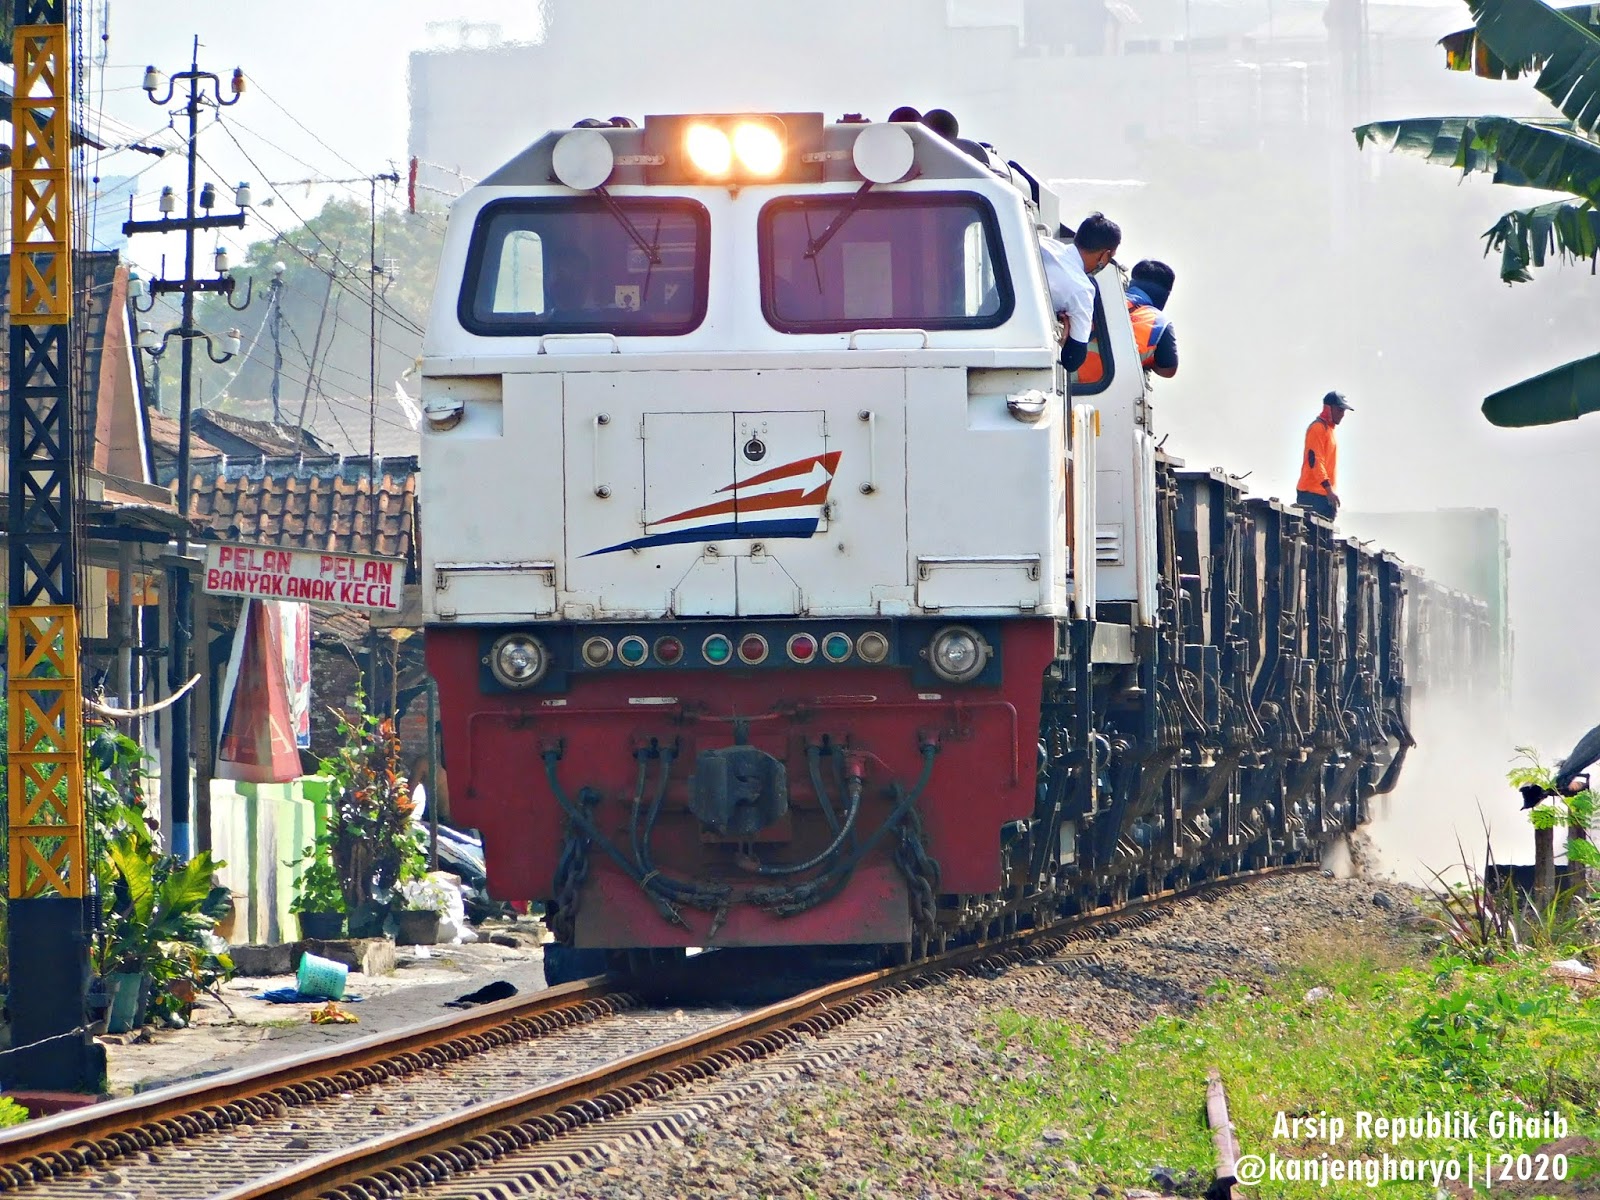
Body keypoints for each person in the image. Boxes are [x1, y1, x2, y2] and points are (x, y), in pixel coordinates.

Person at [1039, 212, 1121, 373]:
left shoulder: (1042, 243)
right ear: (1105, 255)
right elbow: (1073, 360)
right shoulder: (1081, 289)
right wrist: (1064, 335)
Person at [1076, 258, 1179, 385]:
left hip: (1068, 384)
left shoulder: (1097, 299)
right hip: (1108, 393)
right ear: (1165, 294)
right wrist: (1148, 362)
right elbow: (1168, 370)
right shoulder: (1159, 322)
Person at [1296, 391, 1352, 520]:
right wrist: (1329, 490)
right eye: (1339, 410)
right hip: (1311, 495)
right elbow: (1315, 461)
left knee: (1324, 538)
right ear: (1328, 408)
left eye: (1344, 411)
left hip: (1324, 496)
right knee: (1312, 537)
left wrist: (1329, 492)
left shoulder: (1330, 430)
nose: (1342, 414)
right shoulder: (1318, 428)